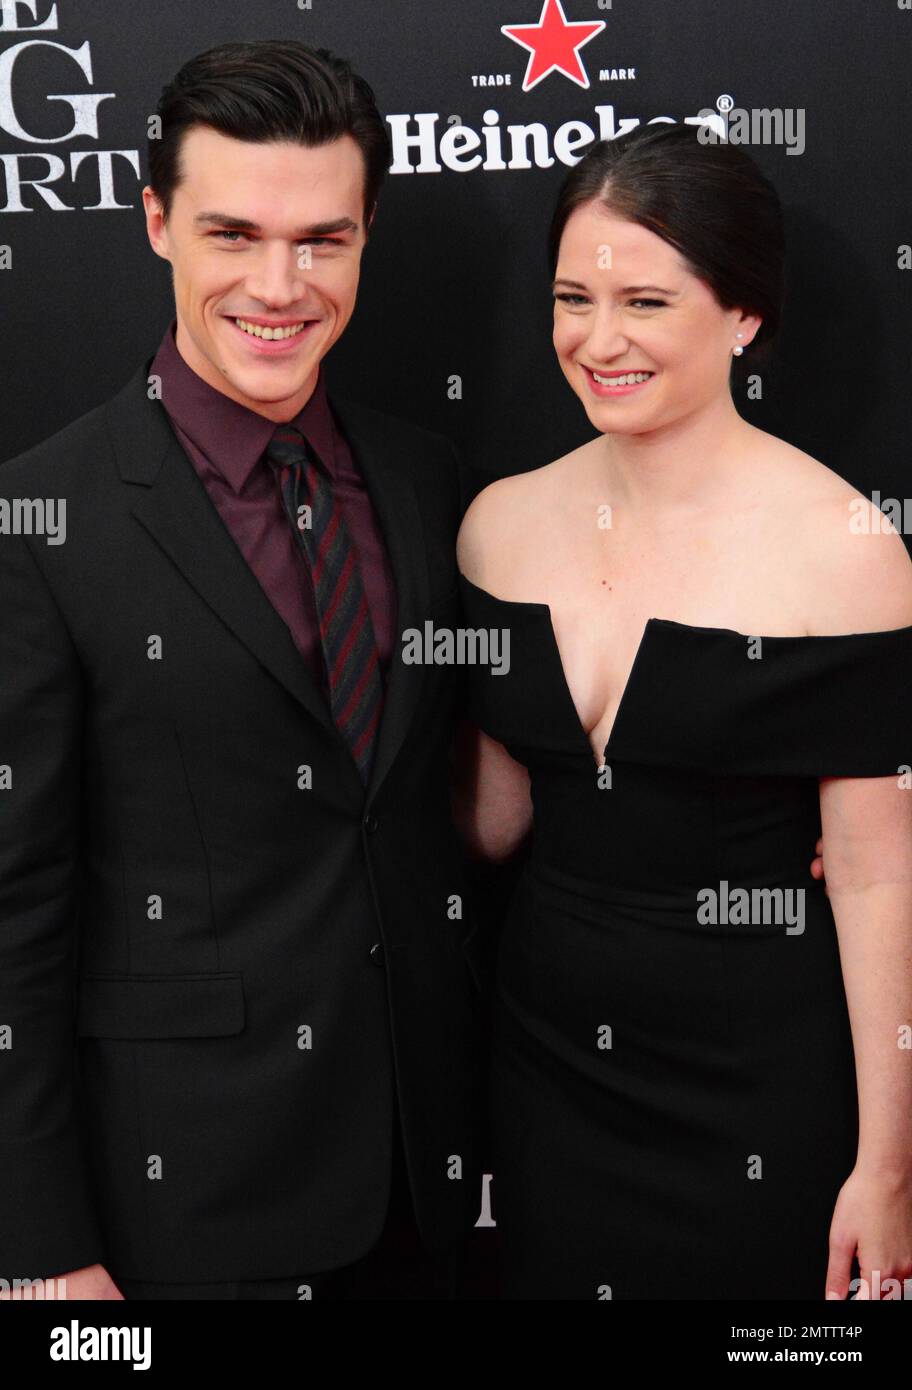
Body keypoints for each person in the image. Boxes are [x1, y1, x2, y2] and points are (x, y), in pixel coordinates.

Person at [0, 40, 486, 1300]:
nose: (281, 285)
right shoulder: (43, 518)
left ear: (369, 233)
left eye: (323, 239)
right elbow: (14, 911)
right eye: (234, 234)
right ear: (157, 222)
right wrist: (42, 1250)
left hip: (434, 1180)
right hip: (181, 1209)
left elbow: (460, 794)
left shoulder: (427, 478)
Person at [454, 123, 912, 1300]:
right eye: (572, 297)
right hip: (547, 1065)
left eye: (647, 301)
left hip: (761, 1075)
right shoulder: (498, 525)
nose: (597, 340)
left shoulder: (845, 549)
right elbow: (491, 821)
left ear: (744, 316)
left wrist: (888, 1165)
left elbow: (873, 878)